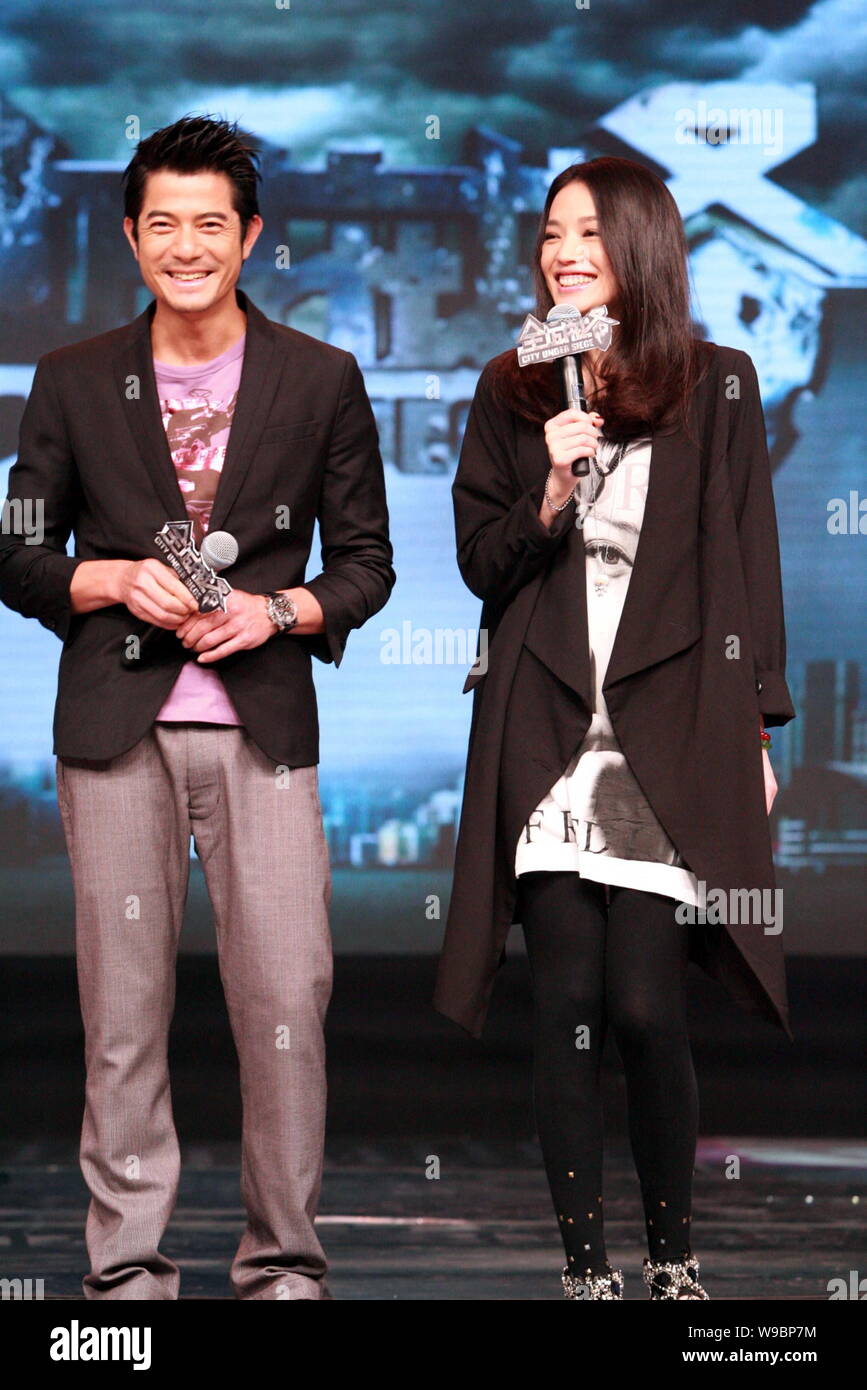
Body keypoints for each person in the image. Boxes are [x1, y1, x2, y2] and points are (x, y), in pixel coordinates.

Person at [0, 115, 395, 1300]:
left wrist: (278, 613)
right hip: (114, 731)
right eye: (161, 223)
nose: (186, 245)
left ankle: (284, 1265)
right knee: (123, 1014)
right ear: (131, 236)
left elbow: (367, 565)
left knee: (288, 1001)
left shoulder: (321, 377)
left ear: (250, 235)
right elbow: (15, 548)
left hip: (262, 725)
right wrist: (105, 576)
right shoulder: (72, 378)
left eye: (209, 224)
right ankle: (127, 1275)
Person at [433, 156, 796, 1300]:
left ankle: (673, 1255)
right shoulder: (514, 386)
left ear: (638, 245)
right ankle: (588, 1269)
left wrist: (756, 727)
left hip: (667, 723)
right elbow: (481, 562)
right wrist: (544, 492)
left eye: (587, 230)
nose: (564, 250)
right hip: (546, 726)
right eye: (550, 232)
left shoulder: (719, 382)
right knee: (566, 1007)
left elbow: (747, 563)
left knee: (644, 1005)